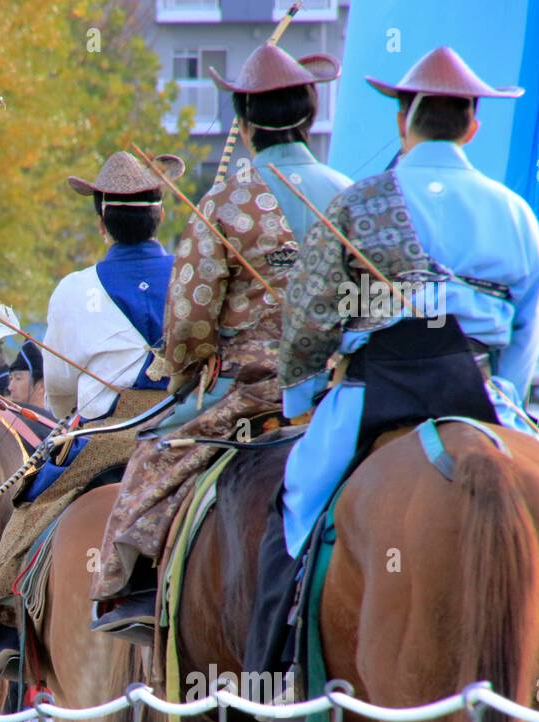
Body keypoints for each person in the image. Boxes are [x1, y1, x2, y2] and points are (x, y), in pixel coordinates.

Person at [243, 46, 539, 692]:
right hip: (480, 390)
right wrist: (507, 396)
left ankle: (275, 672)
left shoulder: (359, 203)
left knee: (297, 505)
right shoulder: (515, 212)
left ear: (403, 118)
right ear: (472, 125)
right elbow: (528, 329)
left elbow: (308, 318)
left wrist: (298, 397)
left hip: (375, 391)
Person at [91, 45, 352, 634]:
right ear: (310, 114)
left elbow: (188, 324)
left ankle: (130, 589)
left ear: (244, 120)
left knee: (153, 457)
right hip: (343, 393)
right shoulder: (349, 193)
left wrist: (186, 374)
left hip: (246, 394)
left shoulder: (225, 201)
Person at [0, 150, 186, 679]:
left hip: (107, 437)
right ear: (161, 217)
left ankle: (9, 627)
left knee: (27, 512)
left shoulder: (74, 291)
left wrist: (77, 417)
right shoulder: (194, 274)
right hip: (187, 434)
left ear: (102, 222)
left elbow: (60, 396)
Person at [6, 340, 46, 409]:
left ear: (41, 387)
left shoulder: (56, 419)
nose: (10, 387)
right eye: (10, 379)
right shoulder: (4, 416)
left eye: (18, 378)